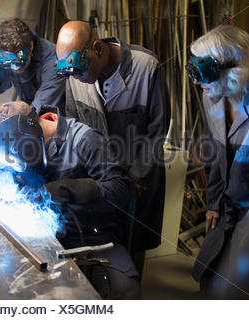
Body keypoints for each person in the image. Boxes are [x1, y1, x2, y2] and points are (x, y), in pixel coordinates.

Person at [0, 101, 140, 299]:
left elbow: (121, 189)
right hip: (41, 239)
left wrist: (75, 189)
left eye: (15, 153)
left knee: (125, 291)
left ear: (29, 138)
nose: (12, 158)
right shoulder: (11, 140)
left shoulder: (84, 140)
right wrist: (17, 193)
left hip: (93, 239)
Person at [55, 21, 170, 274]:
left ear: (97, 48)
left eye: (79, 71)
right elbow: (73, 127)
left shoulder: (146, 66)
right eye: (70, 73)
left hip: (139, 178)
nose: (76, 79)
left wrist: (138, 175)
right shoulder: (75, 75)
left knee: (133, 243)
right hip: (99, 181)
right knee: (100, 243)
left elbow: (156, 129)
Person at [186, 25, 249, 298]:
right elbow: (214, 156)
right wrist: (213, 204)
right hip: (227, 207)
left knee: (240, 288)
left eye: (201, 70)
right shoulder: (213, 98)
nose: (196, 81)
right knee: (208, 278)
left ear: (231, 69)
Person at [0, 18, 66, 113]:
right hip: (30, 107)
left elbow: (39, 108)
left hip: (55, 115)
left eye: (20, 64)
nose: (15, 69)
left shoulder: (53, 60)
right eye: (9, 65)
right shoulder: (5, 53)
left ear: (31, 46)